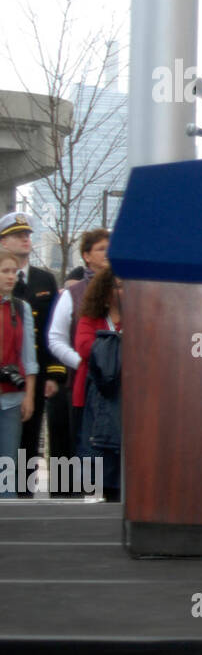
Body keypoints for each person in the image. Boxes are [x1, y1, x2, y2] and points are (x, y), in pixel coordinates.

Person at [0, 212, 60, 498]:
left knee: (26, 442)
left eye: (28, 234)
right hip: (10, 379)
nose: (26, 239)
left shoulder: (43, 278)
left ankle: (22, 504)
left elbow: (51, 331)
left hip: (28, 379)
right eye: (17, 235)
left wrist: (53, 374)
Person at [47, 227, 110, 488]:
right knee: (83, 449)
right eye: (101, 249)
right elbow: (55, 338)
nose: (108, 254)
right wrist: (83, 362)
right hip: (84, 384)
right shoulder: (74, 294)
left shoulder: (126, 288)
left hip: (117, 387)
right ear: (86, 255)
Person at [74, 266, 122, 500]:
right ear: (105, 291)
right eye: (118, 287)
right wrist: (118, 345)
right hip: (95, 397)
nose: (123, 292)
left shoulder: (138, 318)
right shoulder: (91, 317)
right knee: (94, 454)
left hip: (126, 401)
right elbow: (84, 347)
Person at [0, 249, 36, 499]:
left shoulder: (21, 309)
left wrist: (29, 396)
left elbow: (29, 359)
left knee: (7, 465)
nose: (11, 277)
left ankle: (7, 526)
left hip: (12, 398)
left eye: (14, 272)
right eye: (5, 271)